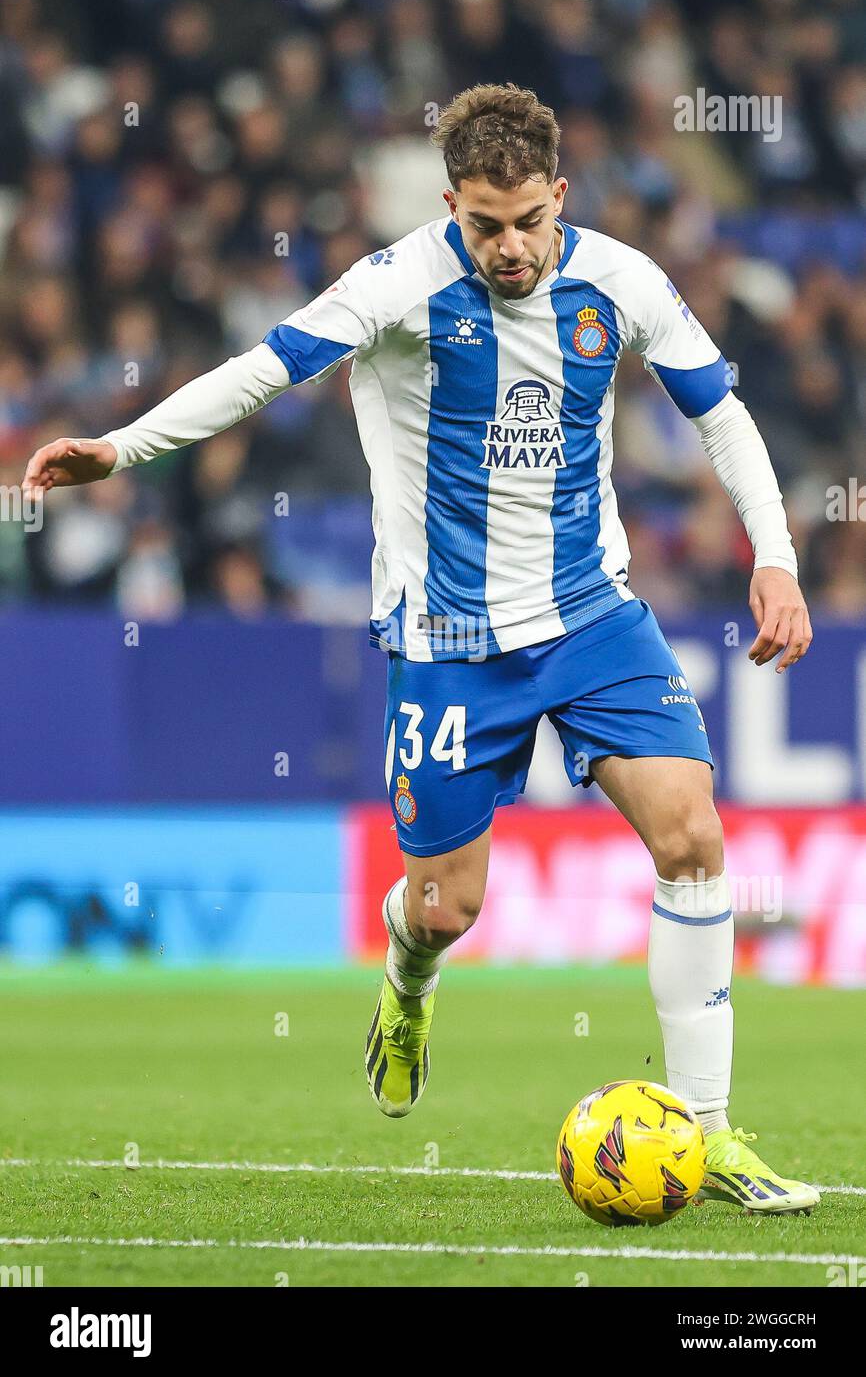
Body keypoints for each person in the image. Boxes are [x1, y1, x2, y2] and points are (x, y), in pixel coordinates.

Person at [22, 83, 818, 1215]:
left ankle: (706, 1129)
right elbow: (266, 366)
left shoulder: (622, 280)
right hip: (448, 640)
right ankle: (407, 984)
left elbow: (720, 413)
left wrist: (774, 554)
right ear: (451, 204)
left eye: (527, 222)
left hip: (591, 615)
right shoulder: (400, 282)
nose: (507, 247)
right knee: (445, 907)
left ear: (560, 197)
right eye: (482, 224)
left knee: (691, 835)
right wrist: (122, 446)